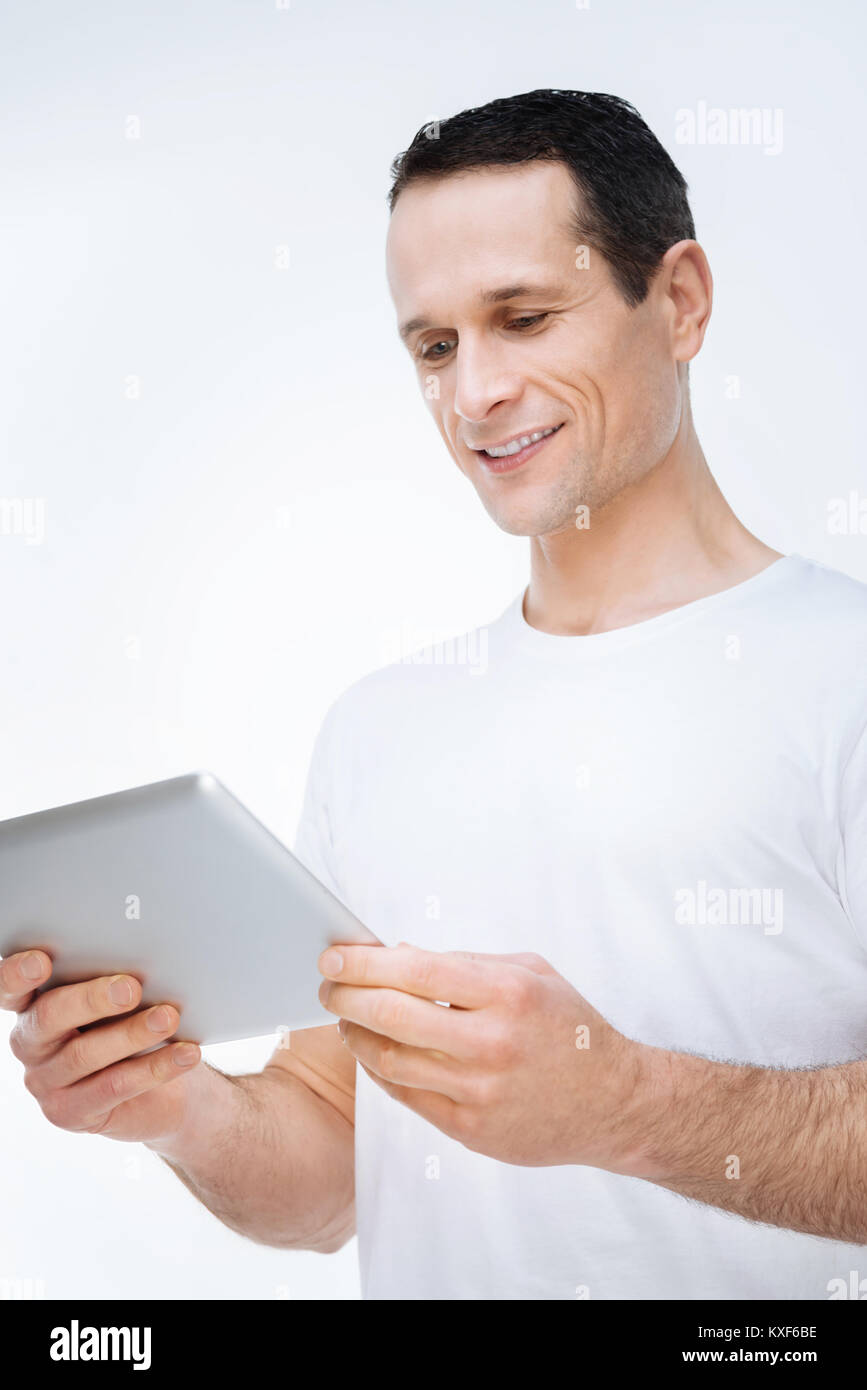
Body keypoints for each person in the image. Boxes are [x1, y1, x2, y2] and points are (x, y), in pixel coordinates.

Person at [3, 90, 867, 1300]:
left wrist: (623, 1102)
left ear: (678, 302)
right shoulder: (379, 728)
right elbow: (330, 1171)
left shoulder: (843, 675)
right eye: (436, 345)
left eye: (523, 317)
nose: (475, 395)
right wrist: (176, 1106)